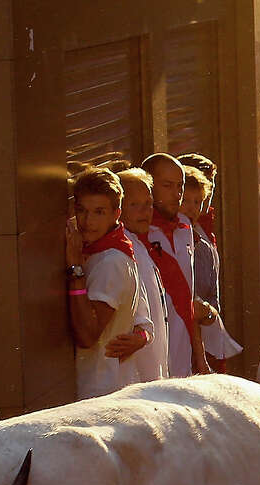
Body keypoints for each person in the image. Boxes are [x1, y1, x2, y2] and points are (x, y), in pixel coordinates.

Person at [64, 168, 153, 400]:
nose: (87, 221)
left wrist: (76, 271)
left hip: (99, 392)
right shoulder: (108, 250)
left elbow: (87, 335)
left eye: (99, 212)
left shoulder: (111, 261)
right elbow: (143, 317)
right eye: (81, 211)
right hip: (107, 388)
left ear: (116, 214)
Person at [140, 153, 208, 377]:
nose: (176, 194)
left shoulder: (186, 227)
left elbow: (186, 301)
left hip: (183, 358)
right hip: (150, 360)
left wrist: (200, 358)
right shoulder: (137, 232)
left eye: (180, 186)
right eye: (167, 185)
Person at [179, 166, 241, 370]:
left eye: (197, 202)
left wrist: (208, 312)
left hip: (207, 342)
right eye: (185, 201)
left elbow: (213, 298)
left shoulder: (204, 247)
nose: (191, 208)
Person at [116, 168, 170, 382]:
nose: (144, 211)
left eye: (148, 204)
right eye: (134, 205)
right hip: (135, 375)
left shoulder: (138, 244)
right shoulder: (122, 249)